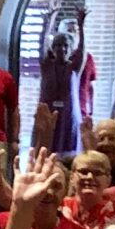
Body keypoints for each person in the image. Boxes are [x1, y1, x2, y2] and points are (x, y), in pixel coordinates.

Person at [38, 13, 85, 157]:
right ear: (53, 48)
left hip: (68, 115)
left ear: (70, 49)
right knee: (47, 148)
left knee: (67, 152)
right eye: (58, 45)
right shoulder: (46, 65)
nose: (62, 49)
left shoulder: (74, 67)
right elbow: (43, 43)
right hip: (49, 111)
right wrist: (49, 21)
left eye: (65, 46)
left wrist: (81, 26)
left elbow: (82, 49)